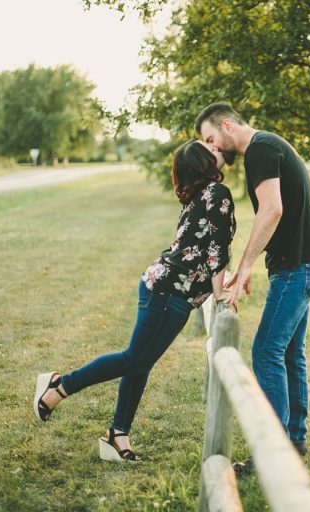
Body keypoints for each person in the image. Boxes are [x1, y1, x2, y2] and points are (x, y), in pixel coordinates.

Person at [33, 139, 236, 462]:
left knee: (140, 361)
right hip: (171, 291)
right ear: (203, 163)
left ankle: (118, 434)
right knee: (134, 359)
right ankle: (59, 386)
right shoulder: (216, 193)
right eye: (208, 148)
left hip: (164, 287)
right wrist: (222, 290)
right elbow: (216, 252)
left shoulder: (201, 195)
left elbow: (203, 247)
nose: (215, 148)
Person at [195, 102, 310, 474]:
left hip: (297, 268)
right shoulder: (266, 146)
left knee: (267, 350)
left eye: (210, 140)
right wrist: (252, 260)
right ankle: (293, 441)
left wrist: (247, 262)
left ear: (225, 125)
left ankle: (274, 452)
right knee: (289, 352)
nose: (213, 149)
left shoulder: (260, 150)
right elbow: (272, 214)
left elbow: (272, 210)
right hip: (304, 263)